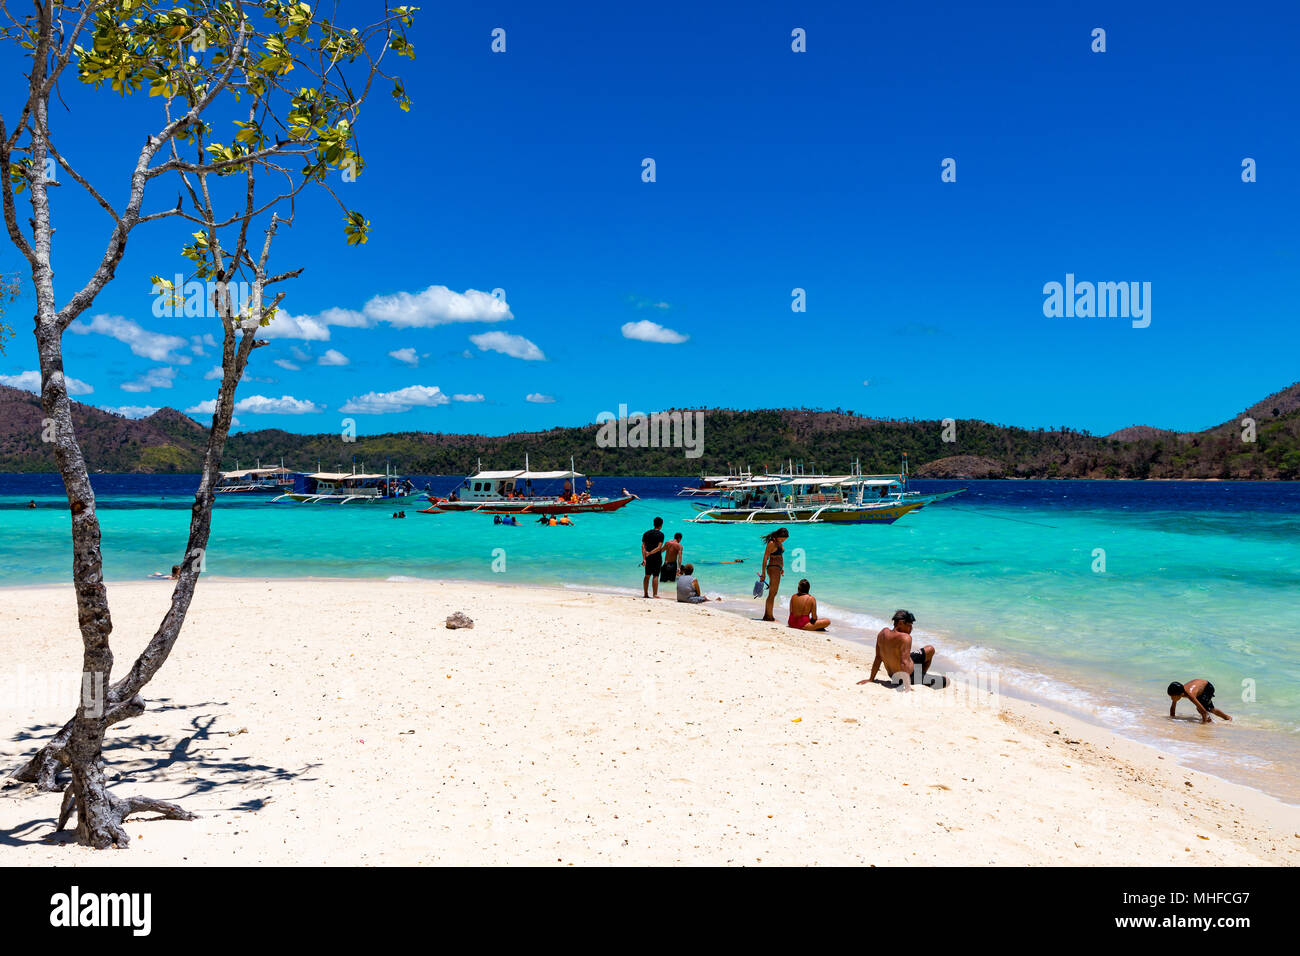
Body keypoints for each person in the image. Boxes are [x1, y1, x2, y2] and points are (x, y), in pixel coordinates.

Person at [856, 610, 941, 688]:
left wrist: (871, 679)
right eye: (909, 625)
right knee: (943, 681)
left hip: (894, 674)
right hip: (907, 676)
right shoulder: (906, 638)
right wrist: (907, 685)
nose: (911, 628)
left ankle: (921, 674)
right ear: (900, 623)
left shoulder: (883, 633)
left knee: (930, 649)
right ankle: (919, 677)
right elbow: (904, 662)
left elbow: (878, 657)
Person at [758, 527, 789, 622]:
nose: (784, 540)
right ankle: (769, 617)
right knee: (772, 593)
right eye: (782, 538)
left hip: (777, 568)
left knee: (773, 593)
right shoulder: (772, 543)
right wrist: (763, 573)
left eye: (785, 539)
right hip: (773, 567)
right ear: (778, 536)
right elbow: (765, 557)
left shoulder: (778, 543)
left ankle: (767, 615)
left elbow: (780, 556)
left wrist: (781, 568)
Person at [1168, 680, 1232, 723]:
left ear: (1181, 694)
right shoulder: (1178, 691)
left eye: (1172, 696)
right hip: (1199, 688)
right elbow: (1173, 708)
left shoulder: (1190, 695)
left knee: (1209, 709)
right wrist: (1172, 720)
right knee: (1201, 708)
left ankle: (1227, 717)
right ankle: (1209, 720)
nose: (1171, 698)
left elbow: (1204, 712)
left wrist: (1203, 726)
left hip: (1207, 687)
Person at [641, 517, 666, 598]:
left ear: (653, 524)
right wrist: (650, 553)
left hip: (648, 557)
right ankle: (655, 594)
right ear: (661, 525)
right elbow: (659, 547)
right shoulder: (661, 534)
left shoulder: (646, 533)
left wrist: (644, 558)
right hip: (656, 557)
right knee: (655, 575)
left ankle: (645, 594)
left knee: (647, 575)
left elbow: (643, 546)